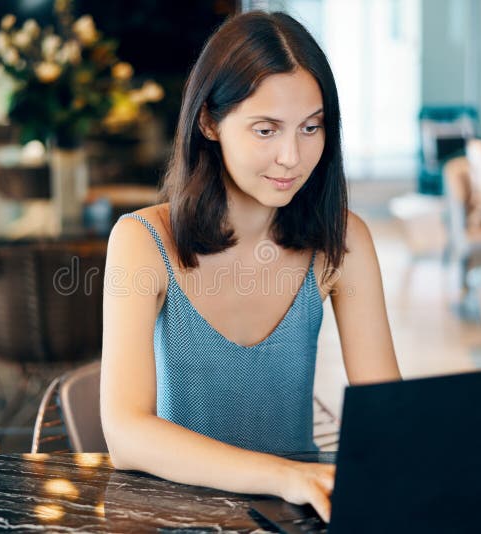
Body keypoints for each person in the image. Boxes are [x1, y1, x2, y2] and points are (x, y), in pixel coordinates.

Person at [100, 10, 401, 522]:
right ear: (209, 122)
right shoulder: (142, 241)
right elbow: (126, 435)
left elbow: (389, 418)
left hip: (297, 515)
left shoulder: (342, 241)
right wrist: (285, 475)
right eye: (266, 130)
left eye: (311, 128)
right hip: (181, 515)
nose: (292, 157)